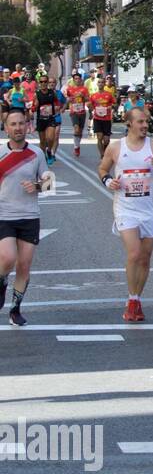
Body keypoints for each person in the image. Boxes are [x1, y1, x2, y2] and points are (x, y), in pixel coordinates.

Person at [99, 107, 153, 322]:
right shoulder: (116, 147)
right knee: (134, 253)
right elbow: (103, 169)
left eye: (147, 122)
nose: (145, 126)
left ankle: (135, 298)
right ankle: (132, 301)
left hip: (147, 209)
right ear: (129, 124)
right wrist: (109, 181)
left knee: (145, 258)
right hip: (125, 208)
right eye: (141, 122)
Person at [0, 108, 53, 326]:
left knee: (24, 265)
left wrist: (37, 185)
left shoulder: (37, 154)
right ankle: (2, 283)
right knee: (8, 258)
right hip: (4, 215)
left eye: (21, 123)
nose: (18, 128)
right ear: (6, 129)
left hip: (29, 216)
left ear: (27, 126)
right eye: (13, 124)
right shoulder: (1, 154)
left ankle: (15, 310)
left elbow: (50, 184)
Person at [33, 73, 65, 166]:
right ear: (39, 83)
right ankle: (43, 157)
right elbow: (33, 108)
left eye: (45, 81)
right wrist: (36, 106)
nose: (43, 83)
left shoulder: (52, 93)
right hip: (41, 119)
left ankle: (49, 151)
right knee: (42, 141)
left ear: (47, 83)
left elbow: (58, 103)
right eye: (41, 82)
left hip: (50, 119)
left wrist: (57, 108)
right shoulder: (37, 94)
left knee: (51, 138)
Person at [64, 71, 90, 158]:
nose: (77, 80)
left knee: (80, 131)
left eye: (78, 78)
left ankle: (78, 145)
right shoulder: (70, 89)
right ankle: (76, 147)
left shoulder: (84, 89)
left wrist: (83, 96)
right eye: (75, 79)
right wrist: (68, 101)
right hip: (73, 112)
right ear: (73, 80)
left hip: (82, 112)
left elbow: (87, 99)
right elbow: (66, 99)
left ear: (81, 80)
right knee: (76, 128)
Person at [89, 77, 116, 157]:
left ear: (104, 84)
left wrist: (111, 107)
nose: (100, 84)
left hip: (107, 119)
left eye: (102, 82)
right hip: (97, 118)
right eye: (99, 82)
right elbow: (91, 106)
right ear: (97, 84)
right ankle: (102, 155)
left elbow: (114, 104)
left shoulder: (108, 95)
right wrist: (91, 108)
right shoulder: (94, 96)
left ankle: (105, 149)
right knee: (99, 137)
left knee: (106, 140)